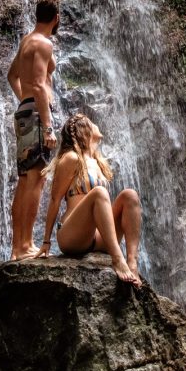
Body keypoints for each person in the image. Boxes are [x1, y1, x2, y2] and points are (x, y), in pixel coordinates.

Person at [37, 112, 142, 287]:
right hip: (73, 236)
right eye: (92, 123)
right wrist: (46, 242)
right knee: (100, 192)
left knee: (130, 195)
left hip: (100, 237)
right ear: (84, 130)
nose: (97, 125)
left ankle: (132, 262)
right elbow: (55, 200)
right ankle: (117, 259)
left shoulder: (97, 162)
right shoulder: (72, 158)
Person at [7, 0, 61, 260]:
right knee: (37, 179)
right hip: (37, 115)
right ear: (56, 18)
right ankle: (27, 245)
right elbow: (39, 84)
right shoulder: (43, 43)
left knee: (24, 181)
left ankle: (16, 248)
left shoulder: (26, 41)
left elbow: (12, 76)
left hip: (25, 112)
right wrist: (48, 126)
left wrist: (24, 101)